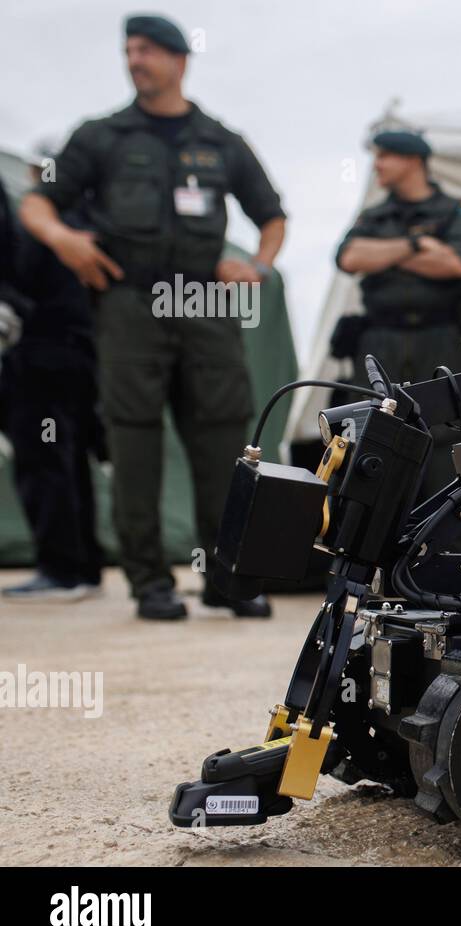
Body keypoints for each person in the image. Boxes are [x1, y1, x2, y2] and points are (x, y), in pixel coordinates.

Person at [19, 14, 286, 620]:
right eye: (129, 50)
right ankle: (150, 584)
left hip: (205, 304)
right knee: (133, 441)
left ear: (179, 60)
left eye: (147, 51)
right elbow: (39, 201)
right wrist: (66, 241)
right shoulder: (100, 137)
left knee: (223, 440)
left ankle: (229, 579)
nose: (135, 60)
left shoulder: (221, 141)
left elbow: (272, 214)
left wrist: (259, 267)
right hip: (129, 304)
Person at [334, 129, 461, 505]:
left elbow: (454, 263)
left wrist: (384, 255)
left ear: (413, 160)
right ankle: (370, 547)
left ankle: (446, 544)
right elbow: (350, 258)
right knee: (376, 436)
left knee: (447, 436)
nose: (377, 164)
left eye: (385, 156)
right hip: (380, 341)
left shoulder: (457, 209)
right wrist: (416, 246)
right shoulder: (374, 214)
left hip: (438, 339)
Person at [0, 145, 106, 602]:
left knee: (43, 459)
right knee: (71, 459)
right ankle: (84, 567)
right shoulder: (91, 222)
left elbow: (20, 280)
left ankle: (60, 569)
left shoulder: (44, 226)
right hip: (82, 357)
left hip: (42, 356)